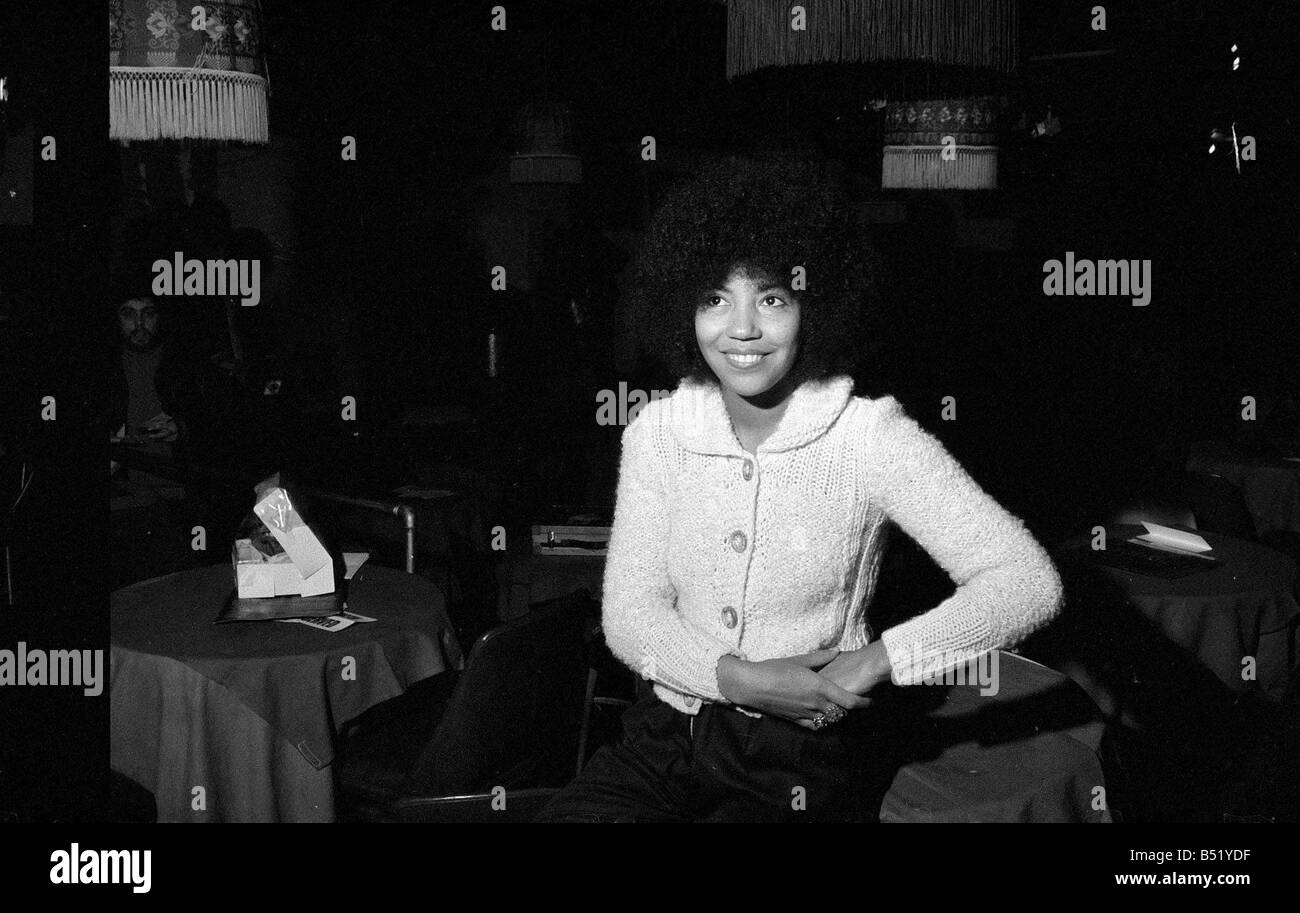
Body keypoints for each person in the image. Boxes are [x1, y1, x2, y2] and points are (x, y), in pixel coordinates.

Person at [537, 156, 1064, 822]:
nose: (742, 328)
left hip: (796, 762)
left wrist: (875, 661)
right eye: (714, 298)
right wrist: (736, 676)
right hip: (662, 741)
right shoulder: (659, 431)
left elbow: (1026, 581)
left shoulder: (868, 436)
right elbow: (630, 613)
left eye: (772, 298)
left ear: (814, 305)